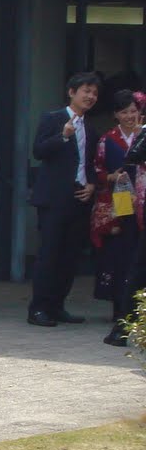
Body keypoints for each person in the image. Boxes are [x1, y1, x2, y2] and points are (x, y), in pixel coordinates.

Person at [28, 71, 102, 327]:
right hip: (53, 199)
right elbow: (38, 151)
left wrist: (92, 184)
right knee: (50, 254)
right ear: (72, 92)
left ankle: (57, 305)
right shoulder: (53, 118)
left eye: (94, 93)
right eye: (86, 91)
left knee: (70, 257)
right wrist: (63, 136)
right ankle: (38, 308)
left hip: (79, 198)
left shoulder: (91, 130)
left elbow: (89, 163)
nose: (90, 97)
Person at [92, 90, 144, 346]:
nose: (130, 116)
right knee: (122, 251)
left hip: (142, 198)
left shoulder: (141, 134)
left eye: (133, 111)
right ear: (116, 115)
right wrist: (111, 177)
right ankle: (121, 310)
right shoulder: (107, 140)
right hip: (122, 198)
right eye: (124, 112)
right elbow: (98, 169)